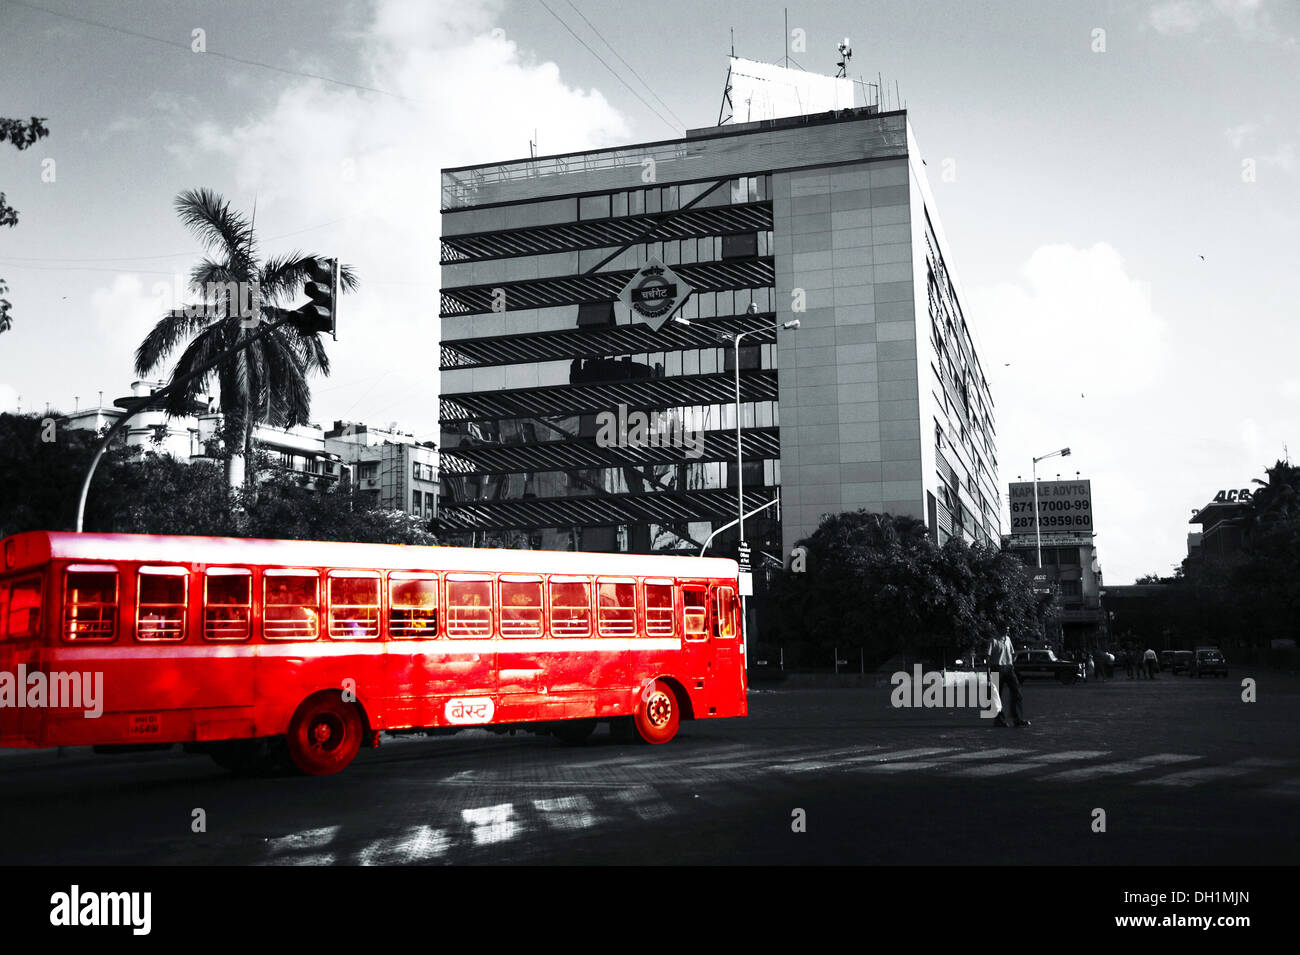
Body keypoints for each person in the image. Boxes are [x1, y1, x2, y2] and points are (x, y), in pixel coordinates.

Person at [985, 627, 1029, 727]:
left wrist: (1012, 664)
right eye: (1005, 629)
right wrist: (988, 674)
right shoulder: (993, 641)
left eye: (1008, 629)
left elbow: (1012, 653)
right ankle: (999, 720)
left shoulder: (1008, 639)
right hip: (997, 668)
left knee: (1017, 692)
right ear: (1000, 629)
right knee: (997, 696)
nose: (1007, 630)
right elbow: (988, 658)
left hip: (1009, 668)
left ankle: (1017, 718)